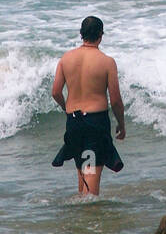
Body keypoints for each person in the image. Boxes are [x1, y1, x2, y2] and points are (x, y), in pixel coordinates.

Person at [51, 16, 126, 195]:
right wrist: (121, 124)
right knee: (90, 178)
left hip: (74, 122)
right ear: (101, 35)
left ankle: (81, 218)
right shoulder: (107, 62)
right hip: (95, 123)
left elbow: (55, 92)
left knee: (83, 174)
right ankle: (89, 219)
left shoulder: (66, 59)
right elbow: (115, 100)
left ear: (81, 34)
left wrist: (65, 107)